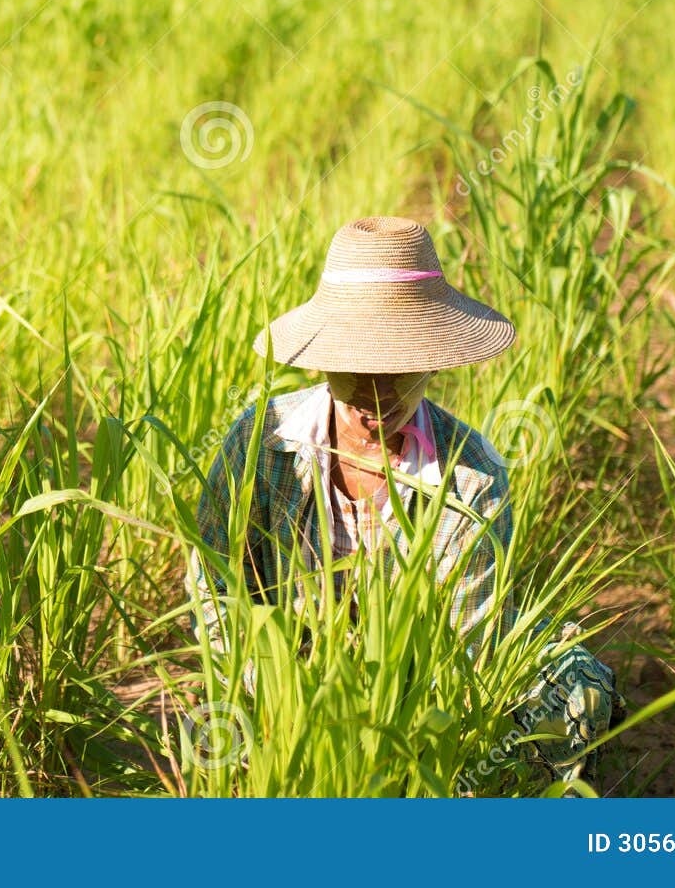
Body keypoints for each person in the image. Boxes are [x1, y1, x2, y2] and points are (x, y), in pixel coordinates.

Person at [189, 215, 616, 780]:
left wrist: (395, 729)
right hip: (286, 668)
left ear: (434, 359)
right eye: (356, 370)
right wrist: (276, 683)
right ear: (322, 361)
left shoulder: (471, 477)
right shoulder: (262, 440)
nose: (378, 392)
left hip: (425, 679)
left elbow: (469, 645)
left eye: (399, 367)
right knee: (214, 742)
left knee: (575, 696)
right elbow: (213, 585)